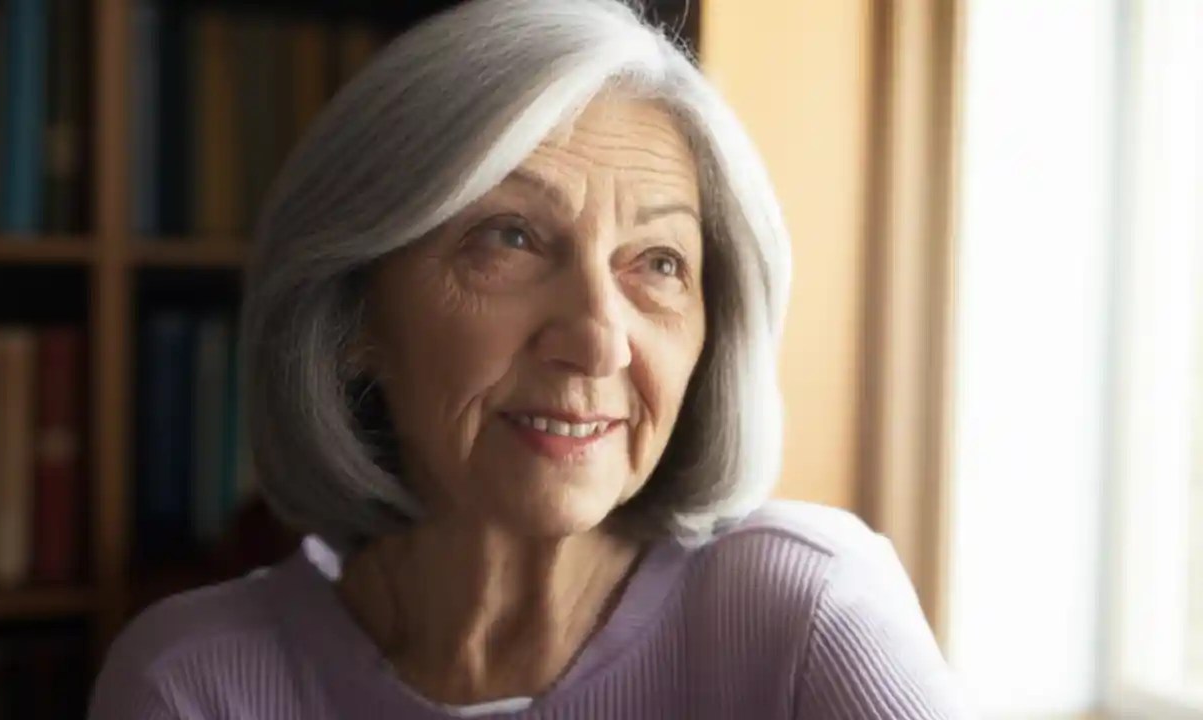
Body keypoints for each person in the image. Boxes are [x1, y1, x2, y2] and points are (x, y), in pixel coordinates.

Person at [89, 0, 973, 717]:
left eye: (658, 264)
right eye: (508, 240)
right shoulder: (195, 683)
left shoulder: (804, 615)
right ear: (353, 313)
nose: (598, 338)